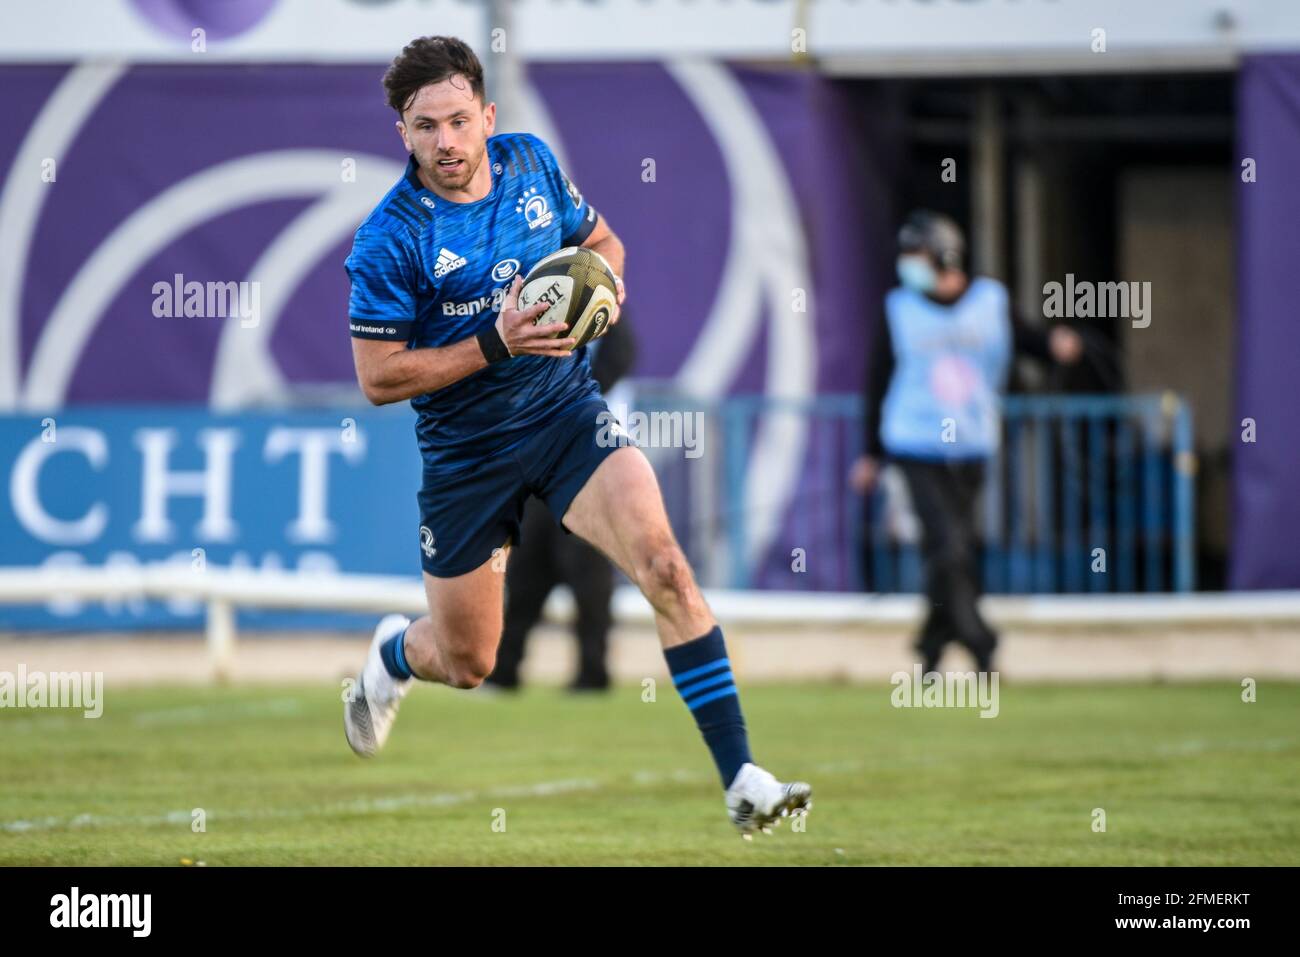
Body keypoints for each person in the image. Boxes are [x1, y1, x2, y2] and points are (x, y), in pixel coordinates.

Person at [341, 36, 809, 836]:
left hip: (566, 417)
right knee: (469, 661)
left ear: (487, 116)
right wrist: (499, 340)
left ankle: (742, 778)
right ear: (403, 134)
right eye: (426, 127)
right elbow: (379, 377)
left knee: (665, 566)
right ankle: (390, 657)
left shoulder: (530, 164)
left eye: (459, 120)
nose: (446, 142)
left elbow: (601, 245)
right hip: (467, 456)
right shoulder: (390, 238)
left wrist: (605, 291)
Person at [850, 210, 1083, 676]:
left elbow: (1025, 340)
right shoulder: (898, 308)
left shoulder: (989, 301)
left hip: (972, 443)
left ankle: (932, 646)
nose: (910, 266)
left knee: (951, 551)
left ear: (945, 257)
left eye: (918, 256)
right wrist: (872, 453)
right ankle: (981, 641)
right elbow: (878, 381)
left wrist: (1055, 343)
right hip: (914, 443)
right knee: (947, 544)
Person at [485, 311, 637, 693]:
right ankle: (504, 672)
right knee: (525, 578)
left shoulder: (611, 331)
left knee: (589, 581)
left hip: (592, 469)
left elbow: (617, 361)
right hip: (544, 470)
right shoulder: (543, 334)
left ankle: (592, 674)